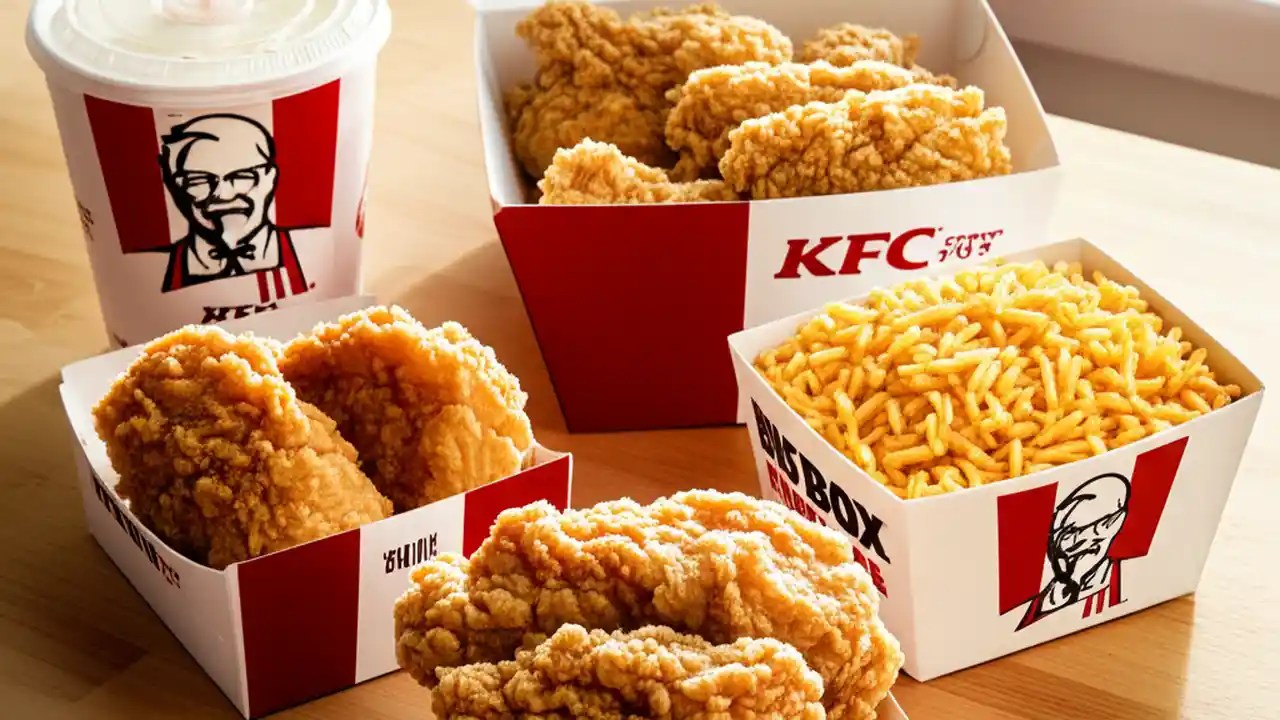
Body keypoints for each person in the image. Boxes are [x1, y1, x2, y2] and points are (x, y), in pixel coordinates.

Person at [157, 114, 305, 293]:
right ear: (177, 186)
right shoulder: (152, 267)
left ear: (270, 178)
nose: (223, 195)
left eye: (242, 176)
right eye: (199, 179)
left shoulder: (312, 251)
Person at [1018, 473, 1130, 629]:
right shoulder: (1033, 598)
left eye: (1075, 533)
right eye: (1061, 533)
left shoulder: (1122, 583)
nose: (1064, 547)